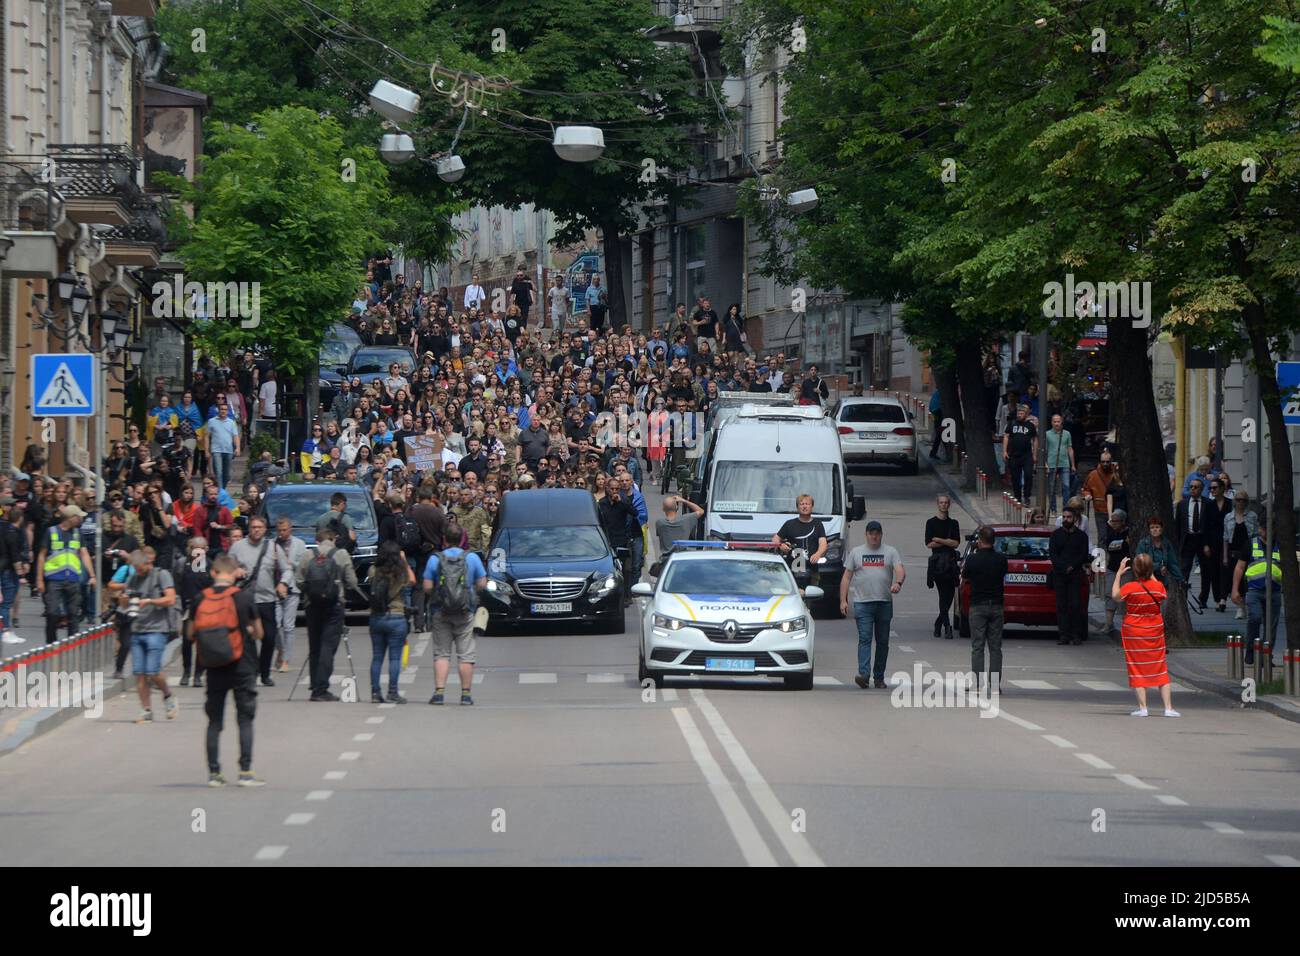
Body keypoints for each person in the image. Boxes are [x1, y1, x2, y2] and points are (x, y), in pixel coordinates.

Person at [194, 553, 266, 786]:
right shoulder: (244, 598)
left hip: (214, 666)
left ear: (213, 573)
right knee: (244, 720)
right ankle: (245, 772)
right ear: (234, 573)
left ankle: (214, 774)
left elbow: (188, 634)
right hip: (242, 664)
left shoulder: (199, 599)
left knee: (214, 722)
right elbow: (260, 633)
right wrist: (245, 630)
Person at [422, 522, 487, 705]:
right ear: (462, 539)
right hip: (465, 612)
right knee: (466, 654)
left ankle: (439, 692)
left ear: (444, 539)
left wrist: (439, 592)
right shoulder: (472, 558)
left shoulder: (435, 559)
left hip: (440, 611)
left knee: (441, 653)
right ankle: (465, 694)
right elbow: (482, 583)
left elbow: (427, 587)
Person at [295, 526, 358, 701]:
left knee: (314, 646)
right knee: (328, 646)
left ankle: (315, 683)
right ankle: (321, 689)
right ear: (333, 539)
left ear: (318, 540)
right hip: (334, 605)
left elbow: (298, 580)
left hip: (312, 605)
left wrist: (311, 592)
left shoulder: (309, 555)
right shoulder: (342, 554)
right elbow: (352, 581)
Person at [840, 520, 905, 689]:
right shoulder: (856, 552)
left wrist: (898, 582)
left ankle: (879, 677)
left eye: (877, 533)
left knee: (882, 641)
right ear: (866, 535)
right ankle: (863, 674)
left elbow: (899, 569)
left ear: (881, 534)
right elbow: (846, 577)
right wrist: (843, 600)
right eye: (871, 533)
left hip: (884, 603)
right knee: (865, 638)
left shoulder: (890, 552)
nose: (874, 536)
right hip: (863, 603)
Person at [1113, 554, 1178, 718]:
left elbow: (1115, 596)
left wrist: (1119, 574)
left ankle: (1143, 707)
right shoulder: (1159, 588)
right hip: (1154, 631)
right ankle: (1168, 708)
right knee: (1159, 665)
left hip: (1133, 632)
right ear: (1151, 570)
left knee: (1136, 666)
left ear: (1135, 570)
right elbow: (1159, 590)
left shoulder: (1130, 587)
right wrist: (1151, 573)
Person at [229, 516, 291, 687]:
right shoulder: (237, 547)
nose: (256, 530)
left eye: (260, 527)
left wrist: (283, 583)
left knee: (269, 638)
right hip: (244, 599)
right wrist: (236, 571)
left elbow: (287, 570)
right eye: (253, 527)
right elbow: (226, 569)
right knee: (246, 638)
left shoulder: (273, 548)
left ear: (265, 530)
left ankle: (264, 673)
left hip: (267, 599)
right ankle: (250, 671)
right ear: (249, 528)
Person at [121, 549, 178, 723]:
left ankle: (168, 696)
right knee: (139, 673)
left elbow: (171, 599)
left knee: (152, 671)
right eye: (135, 569)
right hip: (137, 628)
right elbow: (124, 605)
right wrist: (124, 599)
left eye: (139, 568)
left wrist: (150, 601)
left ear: (147, 563)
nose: (137, 572)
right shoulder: (133, 579)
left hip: (157, 628)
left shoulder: (162, 575)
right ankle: (146, 710)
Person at [36, 505, 96, 645]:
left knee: (73, 614)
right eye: (79, 516)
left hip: (73, 580)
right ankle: (51, 643)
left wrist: (92, 575)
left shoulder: (77, 533)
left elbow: (84, 554)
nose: (82, 518)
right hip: (54, 580)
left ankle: (71, 644)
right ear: (71, 518)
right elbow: (41, 556)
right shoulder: (51, 532)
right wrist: (39, 580)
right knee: (52, 613)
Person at [962, 525, 1008, 693]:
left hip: (978, 605)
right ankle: (995, 685)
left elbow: (965, 575)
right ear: (994, 541)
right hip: (996, 605)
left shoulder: (973, 559)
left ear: (980, 541)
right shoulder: (1001, 559)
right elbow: (1003, 573)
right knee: (995, 647)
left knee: (978, 646)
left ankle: (977, 683)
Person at [368, 541, 415, 704]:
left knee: (377, 657)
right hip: (396, 616)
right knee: (395, 658)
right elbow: (413, 580)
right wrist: (404, 561)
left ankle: (375, 692)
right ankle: (392, 692)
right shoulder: (401, 573)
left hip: (377, 616)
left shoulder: (374, 570)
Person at [1232, 531, 1283, 667]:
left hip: (1275, 592)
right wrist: (1235, 589)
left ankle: (1266, 657)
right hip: (1254, 591)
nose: (1266, 531)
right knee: (1255, 618)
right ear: (1259, 528)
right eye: (1263, 528)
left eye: (1269, 528)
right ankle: (1251, 651)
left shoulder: (1280, 545)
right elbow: (1240, 566)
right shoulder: (1251, 543)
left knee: (1271, 626)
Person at [1048, 505, 1090, 645]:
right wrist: (1063, 567)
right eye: (1064, 517)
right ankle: (1064, 635)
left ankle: (1076, 634)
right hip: (1060, 574)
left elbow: (1083, 554)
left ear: (1075, 519)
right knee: (1061, 605)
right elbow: (1053, 554)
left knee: (1075, 604)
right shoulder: (1055, 535)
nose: (1066, 520)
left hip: (1075, 574)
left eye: (1069, 517)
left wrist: (1072, 566)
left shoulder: (1081, 536)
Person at [272, 517, 308, 674]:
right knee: (274, 625)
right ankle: (280, 650)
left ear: (290, 528)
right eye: (279, 530)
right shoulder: (271, 545)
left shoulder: (299, 544)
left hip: (292, 589)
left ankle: (286, 659)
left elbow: (303, 564)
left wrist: (287, 562)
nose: (282, 533)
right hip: (274, 589)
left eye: (284, 530)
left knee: (288, 626)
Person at [178, 536, 213, 687]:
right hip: (187, 609)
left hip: (205, 610)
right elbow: (177, 586)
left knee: (203, 644)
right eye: (194, 549)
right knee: (187, 642)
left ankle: (198, 674)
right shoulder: (182, 564)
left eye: (202, 549)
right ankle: (186, 672)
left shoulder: (211, 566)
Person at [772, 494, 828, 588]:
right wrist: (780, 545)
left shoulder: (818, 524)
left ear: (812, 506)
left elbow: (823, 543)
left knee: (811, 596)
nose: (805, 506)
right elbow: (775, 539)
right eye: (801, 504)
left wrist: (818, 554)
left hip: (811, 569)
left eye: (807, 504)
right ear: (797, 507)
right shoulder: (789, 524)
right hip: (791, 570)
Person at [924, 494, 961, 639]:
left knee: (950, 596)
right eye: (941, 503)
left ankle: (938, 622)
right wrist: (948, 541)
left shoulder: (954, 523)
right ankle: (947, 627)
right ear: (937, 504)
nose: (944, 505)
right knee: (942, 595)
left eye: (946, 503)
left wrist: (939, 539)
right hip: (938, 564)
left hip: (951, 564)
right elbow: (928, 544)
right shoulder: (931, 523)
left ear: (949, 504)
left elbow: (956, 543)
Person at [1174, 477, 1212, 609]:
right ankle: (1183, 598)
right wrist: (1178, 544)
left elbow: (1210, 526)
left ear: (1201, 489)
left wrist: (1208, 544)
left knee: (1206, 571)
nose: (1193, 489)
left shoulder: (1208, 504)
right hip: (1188, 540)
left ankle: (1203, 599)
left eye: (1196, 487)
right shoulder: (1182, 505)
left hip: (1202, 540)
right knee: (1184, 570)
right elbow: (1178, 526)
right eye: (1191, 487)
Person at [1222, 491, 1258, 621]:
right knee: (1236, 580)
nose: (1240, 502)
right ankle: (1240, 607)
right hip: (1234, 552)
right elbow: (1225, 538)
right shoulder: (1228, 517)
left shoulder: (1252, 516)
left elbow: (1256, 535)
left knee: (1248, 580)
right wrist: (1225, 556)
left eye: (1243, 500)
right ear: (1234, 501)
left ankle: (1248, 605)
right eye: (1238, 500)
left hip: (1248, 551)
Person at [0, 498, 31, 644]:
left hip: (6, 569)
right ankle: (5, 630)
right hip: (7, 570)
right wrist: (21, 571)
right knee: (6, 603)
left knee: (7, 602)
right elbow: (14, 554)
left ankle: (6, 629)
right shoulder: (12, 533)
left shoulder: (7, 529)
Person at [1101, 510, 1132, 637]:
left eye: (1115, 521)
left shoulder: (1129, 532)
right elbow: (1107, 546)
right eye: (1111, 521)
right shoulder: (1110, 531)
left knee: (1125, 596)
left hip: (1126, 569)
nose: (1112, 523)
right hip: (1112, 568)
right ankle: (1109, 624)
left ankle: (1127, 625)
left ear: (1123, 522)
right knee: (1109, 594)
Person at [1204, 477, 1231, 612]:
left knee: (1225, 570)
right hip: (1212, 542)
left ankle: (1223, 599)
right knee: (1214, 571)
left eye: (1215, 488)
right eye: (1210, 488)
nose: (1212, 490)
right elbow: (1204, 526)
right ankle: (1216, 599)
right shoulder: (1208, 505)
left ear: (1222, 489)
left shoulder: (1230, 504)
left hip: (1227, 542)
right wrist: (1206, 545)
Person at [1002, 404, 1037, 503]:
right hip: (1014, 455)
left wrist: (1034, 454)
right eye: (1018, 413)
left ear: (1026, 415)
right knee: (1015, 477)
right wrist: (1004, 451)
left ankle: (1027, 496)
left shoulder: (1030, 426)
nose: (1019, 415)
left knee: (1028, 475)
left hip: (1027, 455)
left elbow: (1035, 439)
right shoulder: (1012, 424)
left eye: (1022, 413)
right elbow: (1006, 436)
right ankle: (1017, 496)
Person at [205, 402, 241, 491]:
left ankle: (222, 490)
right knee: (218, 472)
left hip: (228, 451)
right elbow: (206, 436)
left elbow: (235, 436)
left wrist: (238, 447)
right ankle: (220, 492)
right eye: (222, 409)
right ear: (218, 410)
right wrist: (206, 450)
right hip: (216, 450)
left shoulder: (231, 422)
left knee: (227, 474)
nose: (223, 411)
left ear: (228, 411)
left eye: (225, 409)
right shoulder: (211, 421)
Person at [1044, 413, 1075, 514]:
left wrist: (1073, 464)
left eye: (1058, 421)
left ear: (1061, 422)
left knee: (1066, 487)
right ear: (1052, 423)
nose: (1056, 423)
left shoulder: (1067, 434)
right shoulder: (1047, 434)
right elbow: (1045, 450)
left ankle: (1065, 509)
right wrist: (1045, 463)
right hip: (1052, 463)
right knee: (1052, 487)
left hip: (1065, 463)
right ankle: (1053, 509)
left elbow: (1070, 448)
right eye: (1054, 421)